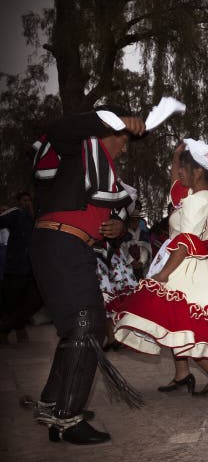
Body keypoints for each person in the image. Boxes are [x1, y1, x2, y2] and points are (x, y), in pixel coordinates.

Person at [29, 105, 145, 444]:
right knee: (86, 324)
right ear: (105, 130)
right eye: (122, 138)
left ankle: (56, 406)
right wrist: (117, 119)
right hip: (60, 242)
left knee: (78, 328)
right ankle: (67, 417)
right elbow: (60, 126)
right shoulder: (74, 149)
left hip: (71, 247)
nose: (124, 146)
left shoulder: (102, 174)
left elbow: (113, 225)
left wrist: (119, 227)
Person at [111, 139, 208, 397]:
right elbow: (175, 187)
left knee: (187, 326)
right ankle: (182, 374)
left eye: (183, 169)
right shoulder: (207, 194)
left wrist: (164, 274)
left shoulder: (194, 202)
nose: (178, 173)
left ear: (197, 171)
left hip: (186, 265)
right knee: (175, 323)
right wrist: (177, 156)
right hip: (198, 263)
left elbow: (185, 242)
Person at [0, 191, 41, 344]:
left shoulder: (37, 217)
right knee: (11, 302)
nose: (26, 203)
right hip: (15, 267)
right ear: (19, 202)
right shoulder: (15, 214)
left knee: (34, 300)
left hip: (34, 269)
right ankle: (9, 331)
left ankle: (14, 326)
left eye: (29, 200)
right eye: (23, 200)